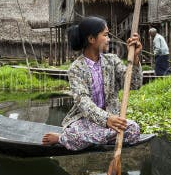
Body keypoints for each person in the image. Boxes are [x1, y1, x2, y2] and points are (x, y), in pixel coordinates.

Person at [42, 16, 143, 151]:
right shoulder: (76, 68)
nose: (108, 40)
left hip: (110, 120)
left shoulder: (112, 61)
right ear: (91, 39)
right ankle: (62, 138)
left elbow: (134, 84)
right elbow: (83, 102)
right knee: (77, 134)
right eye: (105, 35)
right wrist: (106, 119)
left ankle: (83, 139)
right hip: (86, 120)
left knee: (134, 129)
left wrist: (135, 58)